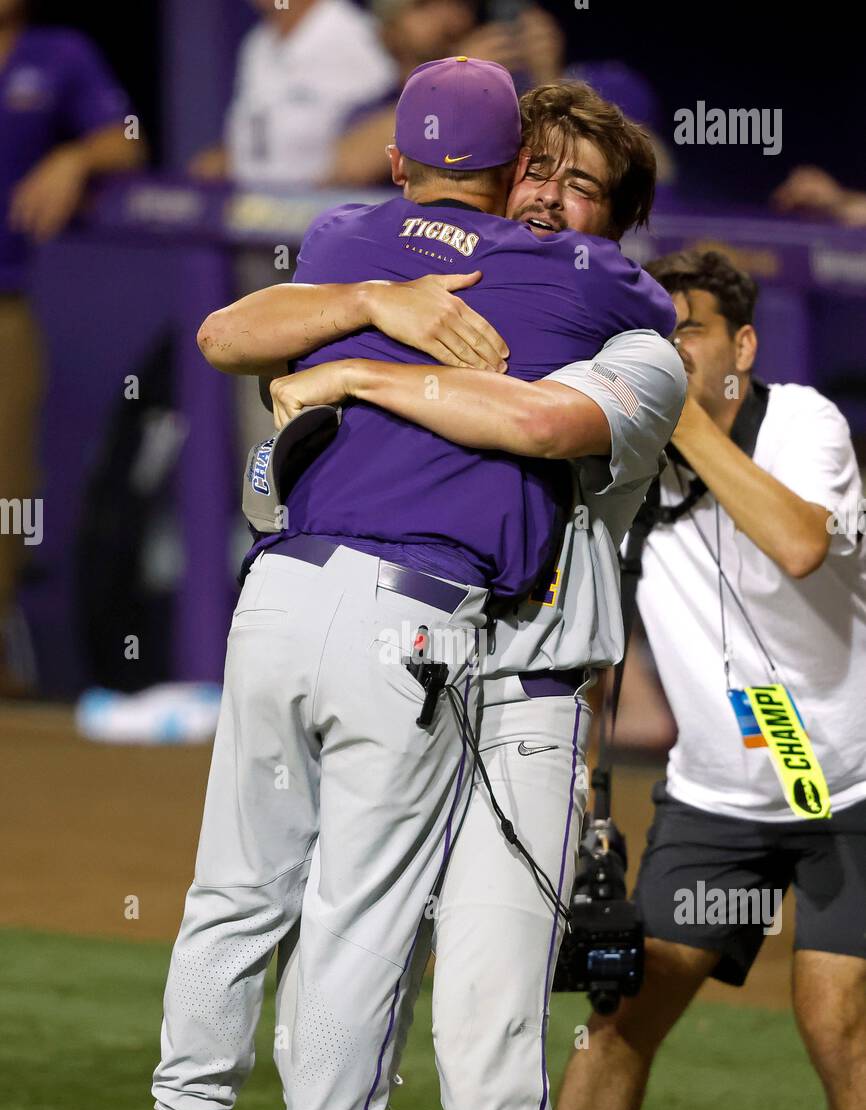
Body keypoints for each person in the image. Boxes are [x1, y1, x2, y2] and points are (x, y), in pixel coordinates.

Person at [133, 63, 675, 1110]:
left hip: (522, 706)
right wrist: (375, 304)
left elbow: (526, 421)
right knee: (326, 970)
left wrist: (358, 362)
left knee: (478, 1037)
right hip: (410, 648)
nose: (543, 197)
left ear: (619, 214)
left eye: (578, 185)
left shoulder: (637, 348)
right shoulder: (433, 271)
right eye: (531, 167)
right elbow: (233, 334)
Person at [547, 249, 866, 1110]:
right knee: (621, 1018)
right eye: (658, 329)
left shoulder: (803, 424)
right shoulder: (625, 459)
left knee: (836, 1026)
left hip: (848, 793)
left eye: (691, 328)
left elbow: (798, 543)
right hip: (717, 800)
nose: (673, 347)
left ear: (741, 346)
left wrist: (681, 423)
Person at [0, 0, 143, 695]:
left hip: (5, 306)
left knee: (8, 490)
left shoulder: (57, 55)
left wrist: (74, 154)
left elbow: (126, 140)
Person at [326, 0, 564, 186]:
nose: (451, 18)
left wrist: (547, 78)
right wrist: (455, 80)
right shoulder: (372, 110)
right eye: (425, 5)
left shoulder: (506, 98)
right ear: (387, 32)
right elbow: (351, 166)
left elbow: (558, 164)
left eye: (459, 3)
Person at [187, 0, 397, 186]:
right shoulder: (257, 43)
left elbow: (383, 138)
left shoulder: (361, 38)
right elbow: (265, 134)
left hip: (325, 216)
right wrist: (227, 161)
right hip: (252, 211)